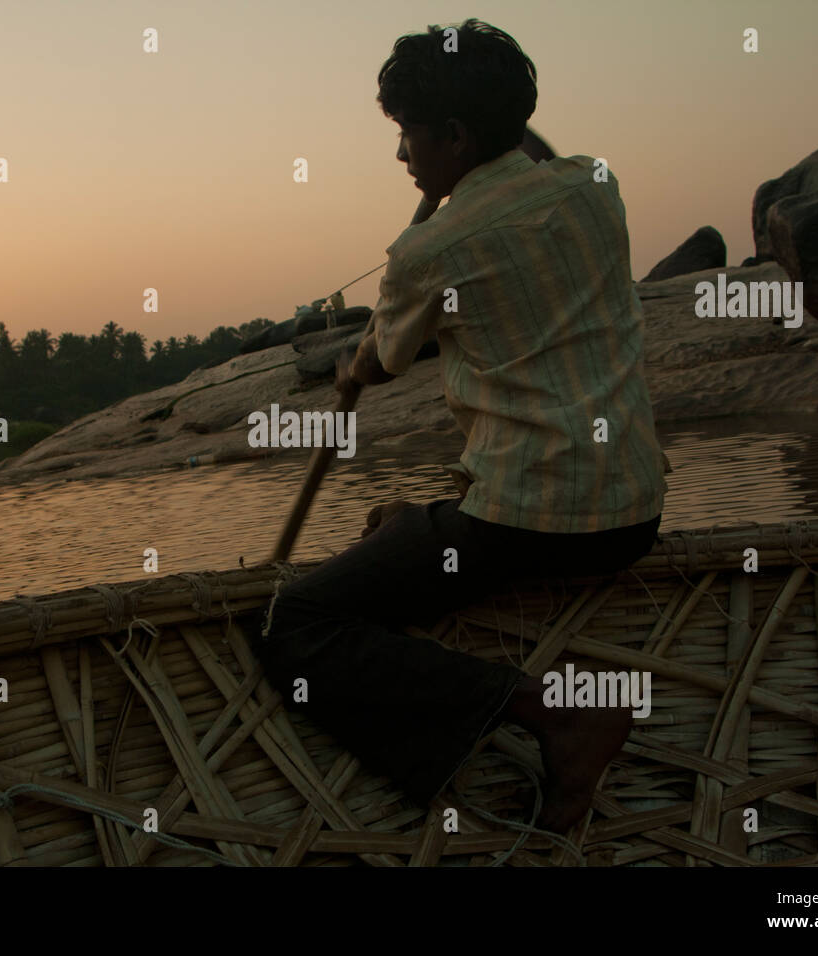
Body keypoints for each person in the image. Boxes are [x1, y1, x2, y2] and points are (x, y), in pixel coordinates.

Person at [249, 19, 669, 835]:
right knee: (405, 526)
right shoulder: (596, 184)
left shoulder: (428, 249)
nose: (403, 157)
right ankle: (423, 539)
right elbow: (535, 156)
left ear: (452, 134)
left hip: (528, 519)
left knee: (294, 622)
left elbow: (385, 358)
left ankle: (550, 712)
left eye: (408, 135)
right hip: (634, 510)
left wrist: (353, 368)